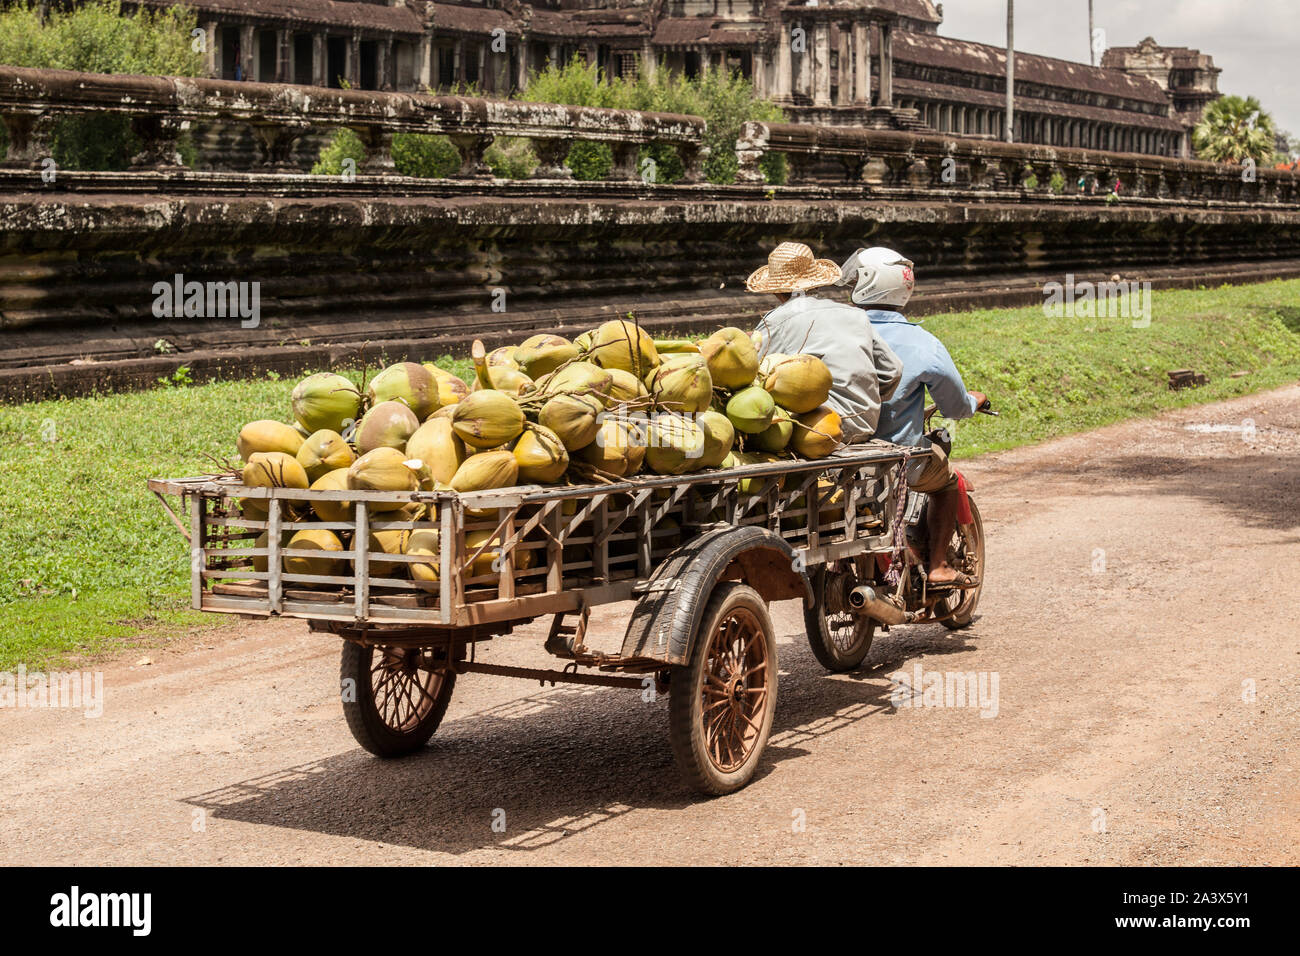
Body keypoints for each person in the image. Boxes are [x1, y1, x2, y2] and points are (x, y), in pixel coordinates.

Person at [836, 246, 987, 589]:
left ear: (865, 286)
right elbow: (955, 408)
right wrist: (975, 401)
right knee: (947, 482)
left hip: (837, 457)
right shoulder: (922, 343)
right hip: (900, 462)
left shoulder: (837, 332)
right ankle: (937, 566)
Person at [746, 242, 902, 443]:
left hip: (815, 430)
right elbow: (893, 370)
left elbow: (753, 379)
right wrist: (862, 396)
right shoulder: (855, 314)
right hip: (865, 423)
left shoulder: (776, 322)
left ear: (775, 291)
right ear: (817, 283)